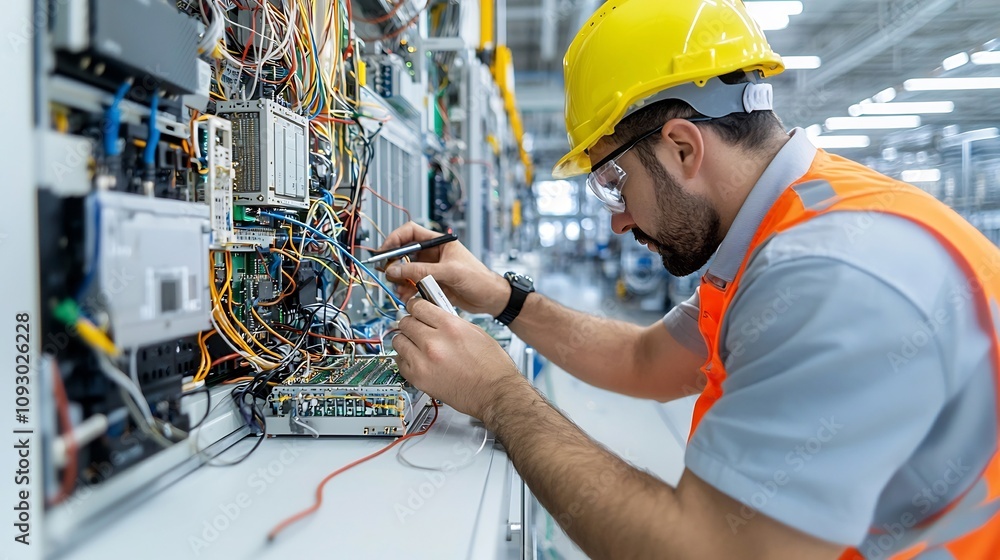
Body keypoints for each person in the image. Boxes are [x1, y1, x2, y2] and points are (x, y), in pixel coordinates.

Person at [381, 1, 1000, 558]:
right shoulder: (790, 222)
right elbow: (646, 360)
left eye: (614, 182)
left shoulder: (827, 276)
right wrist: (503, 297)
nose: (618, 220)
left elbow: (701, 549)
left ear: (682, 147)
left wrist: (498, 395)